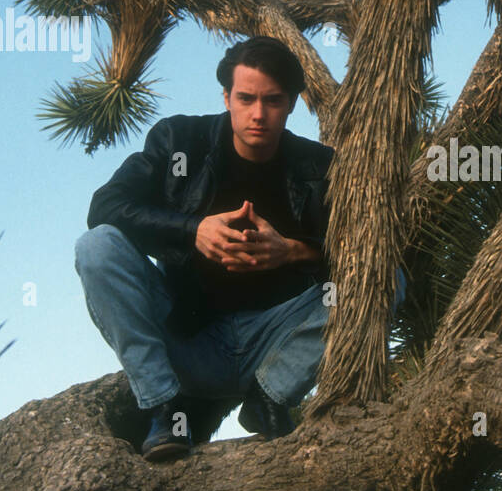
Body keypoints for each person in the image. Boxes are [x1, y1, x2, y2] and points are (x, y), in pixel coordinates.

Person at [75, 36, 347, 461]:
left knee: (387, 278)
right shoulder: (179, 140)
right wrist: (193, 229)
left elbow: (365, 253)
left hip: (274, 341)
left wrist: (292, 251)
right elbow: (105, 207)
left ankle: (269, 399)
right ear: (226, 96)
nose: (258, 114)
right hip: (188, 342)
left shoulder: (319, 166)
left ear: (292, 102)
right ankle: (162, 409)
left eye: (273, 100)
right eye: (246, 98)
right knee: (97, 245)